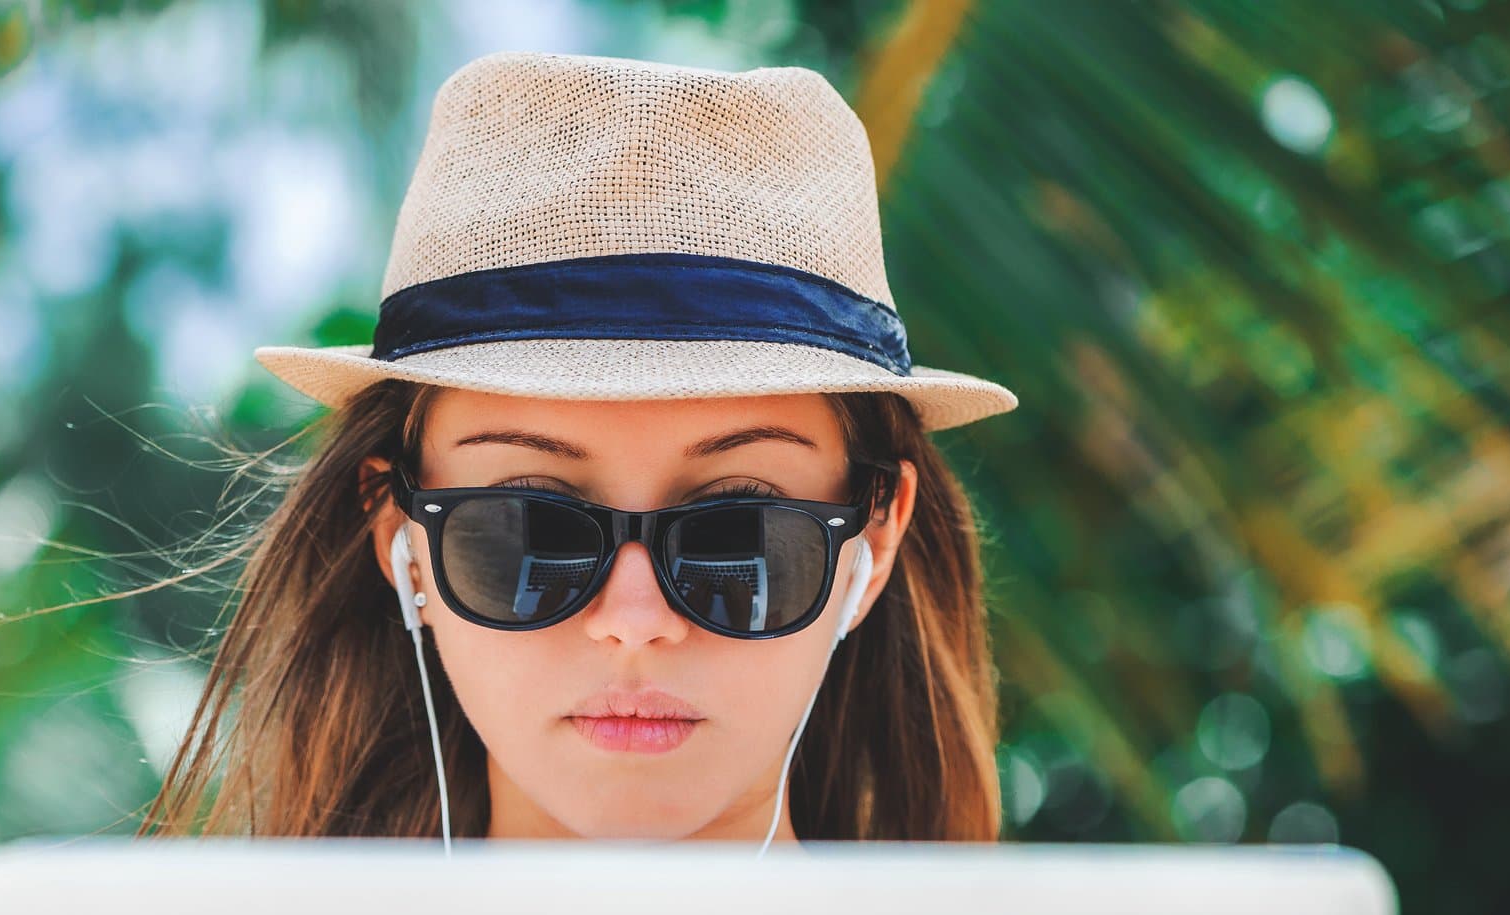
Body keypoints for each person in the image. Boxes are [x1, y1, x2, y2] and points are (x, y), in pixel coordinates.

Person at [137, 49, 1019, 853]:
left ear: (873, 543)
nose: (633, 619)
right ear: (399, 540)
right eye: (529, 529)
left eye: (738, 534)